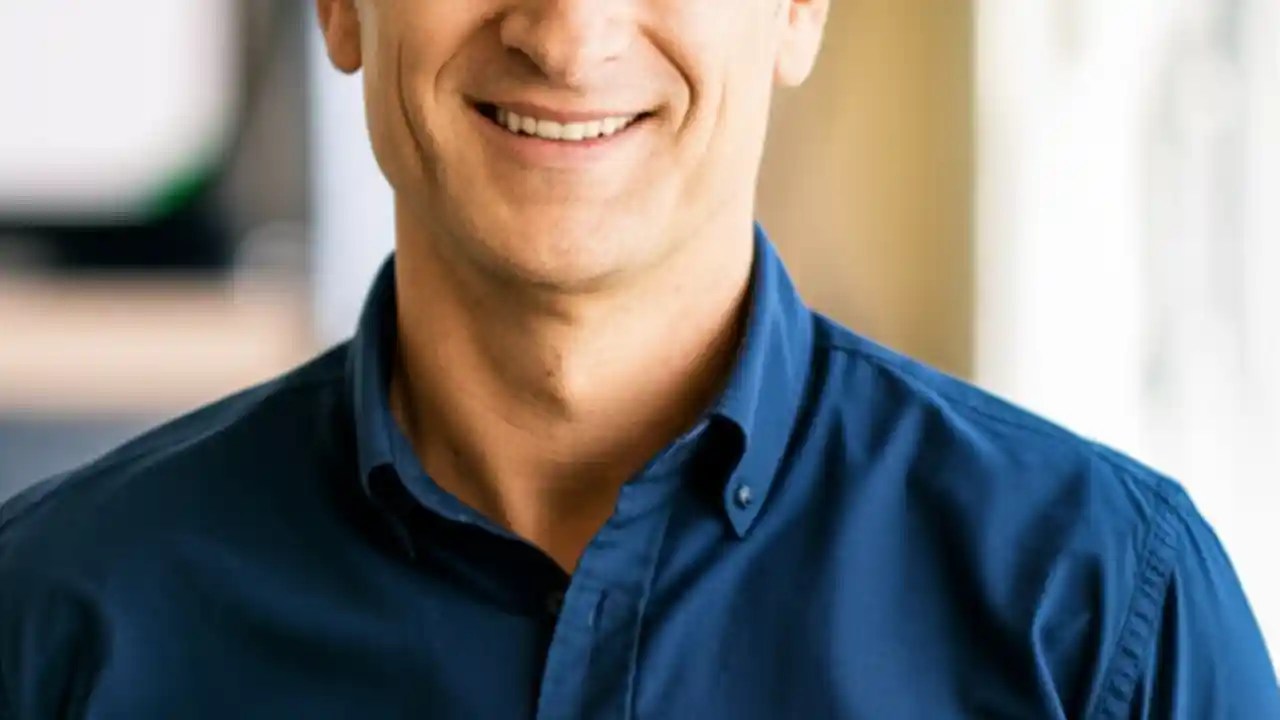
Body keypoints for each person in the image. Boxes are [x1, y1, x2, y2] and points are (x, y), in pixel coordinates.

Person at [1, 0, 1277, 716]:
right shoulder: (49, 627)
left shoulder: (1109, 616)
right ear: (340, 6)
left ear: (795, 11)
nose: (566, 34)